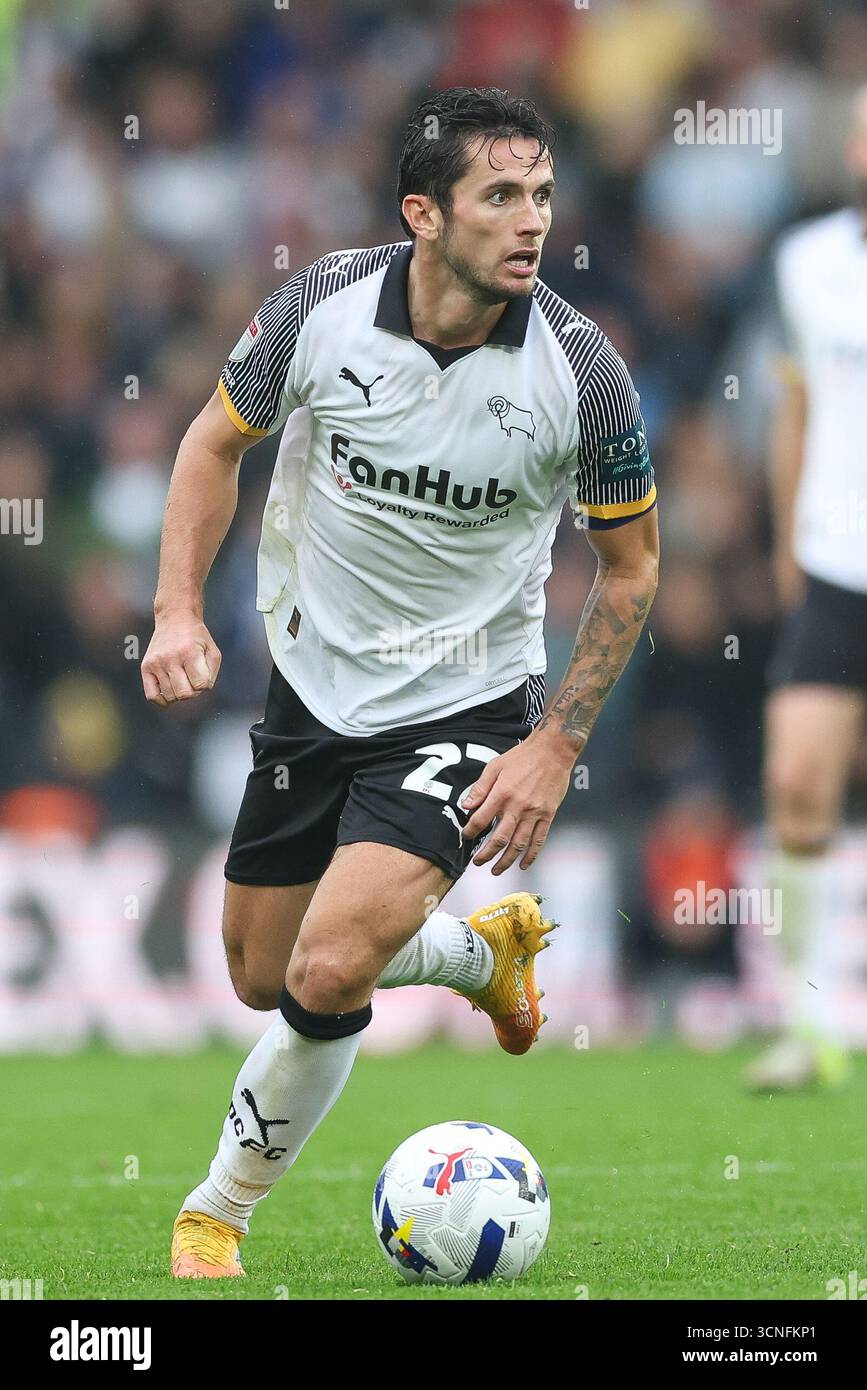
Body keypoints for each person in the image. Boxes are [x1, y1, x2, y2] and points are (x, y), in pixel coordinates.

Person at [141, 87, 659, 1278]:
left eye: (540, 195)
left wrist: (554, 746)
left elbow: (630, 572)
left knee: (326, 971)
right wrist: (174, 608)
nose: (532, 221)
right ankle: (481, 958)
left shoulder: (582, 370)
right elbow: (210, 446)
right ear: (424, 214)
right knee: (260, 971)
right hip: (312, 687)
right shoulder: (319, 306)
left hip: (468, 703)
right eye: (500, 197)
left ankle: (216, 1212)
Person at [750, 85, 867, 1090]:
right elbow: (793, 406)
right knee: (797, 783)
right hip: (836, 562)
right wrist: (787, 544)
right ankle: (811, 1026)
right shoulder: (807, 261)